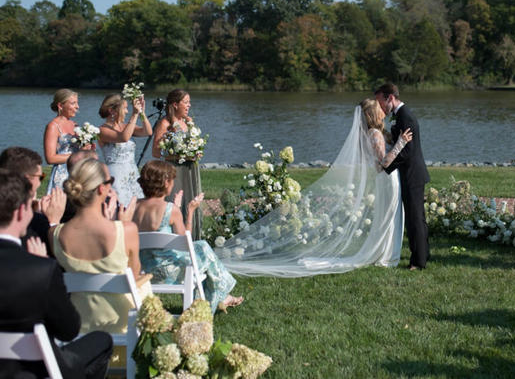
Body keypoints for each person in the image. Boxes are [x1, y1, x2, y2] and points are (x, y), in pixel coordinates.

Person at [216, 98, 413, 277]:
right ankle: (385, 254)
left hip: (385, 181)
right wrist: (401, 144)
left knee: (387, 217)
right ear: (373, 113)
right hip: (387, 179)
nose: (383, 112)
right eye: (379, 109)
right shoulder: (375, 134)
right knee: (388, 217)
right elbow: (384, 163)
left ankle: (384, 252)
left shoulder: (373, 133)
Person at [0, 169, 113, 379]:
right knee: (101, 340)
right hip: (34, 370)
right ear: (20, 212)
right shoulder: (41, 270)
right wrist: (43, 266)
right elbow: (68, 330)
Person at [133, 160, 243, 313]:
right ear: (165, 183)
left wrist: (176, 208)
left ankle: (221, 297)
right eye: (172, 180)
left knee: (201, 248)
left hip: (142, 269)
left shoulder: (133, 206)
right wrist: (190, 211)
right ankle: (212, 301)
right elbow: (186, 244)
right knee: (203, 250)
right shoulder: (170, 210)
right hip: (168, 272)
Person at [51, 159, 143, 334]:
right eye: (110, 182)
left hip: (78, 330)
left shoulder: (55, 234)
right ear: (102, 188)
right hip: (122, 329)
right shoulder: (126, 231)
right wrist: (122, 225)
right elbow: (135, 275)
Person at [375, 83, 431, 270]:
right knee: (417, 218)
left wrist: (387, 166)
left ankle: (418, 262)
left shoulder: (405, 117)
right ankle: (423, 254)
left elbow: (407, 152)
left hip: (412, 174)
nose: (380, 107)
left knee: (415, 219)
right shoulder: (400, 115)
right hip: (411, 173)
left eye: (381, 101)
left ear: (390, 97)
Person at [152, 89, 204, 239]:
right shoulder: (165, 123)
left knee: (192, 201)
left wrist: (196, 151)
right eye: (186, 102)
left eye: (189, 102)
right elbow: (156, 152)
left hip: (190, 169)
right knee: (175, 201)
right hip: (175, 170)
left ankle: (193, 238)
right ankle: (173, 239)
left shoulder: (188, 122)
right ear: (175, 104)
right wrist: (177, 154)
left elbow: (193, 144)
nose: (189, 105)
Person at [0, 146, 66, 252]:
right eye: (40, 177)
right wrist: (54, 222)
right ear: (27, 179)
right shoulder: (36, 223)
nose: (40, 182)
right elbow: (59, 258)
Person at [98, 93, 152, 206]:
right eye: (125, 108)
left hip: (132, 174)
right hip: (116, 176)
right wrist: (134, 114)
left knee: (136, 206)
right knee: (120, 207)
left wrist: (141, 113)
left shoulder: (125, 127)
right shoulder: (102, 130)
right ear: (112, 111)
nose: (127, 112)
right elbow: (124, 137)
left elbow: (147, 132)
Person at [44, 89, 83, 194]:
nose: (77, 106)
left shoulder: (75, 125)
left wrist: (86, 149)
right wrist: (76, 156)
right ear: (60, 106)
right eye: (73, 103)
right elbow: (50, 158)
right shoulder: (53, 126)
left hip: (77, 173)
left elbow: (79, 151)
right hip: (62, 174)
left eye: (77, 103)